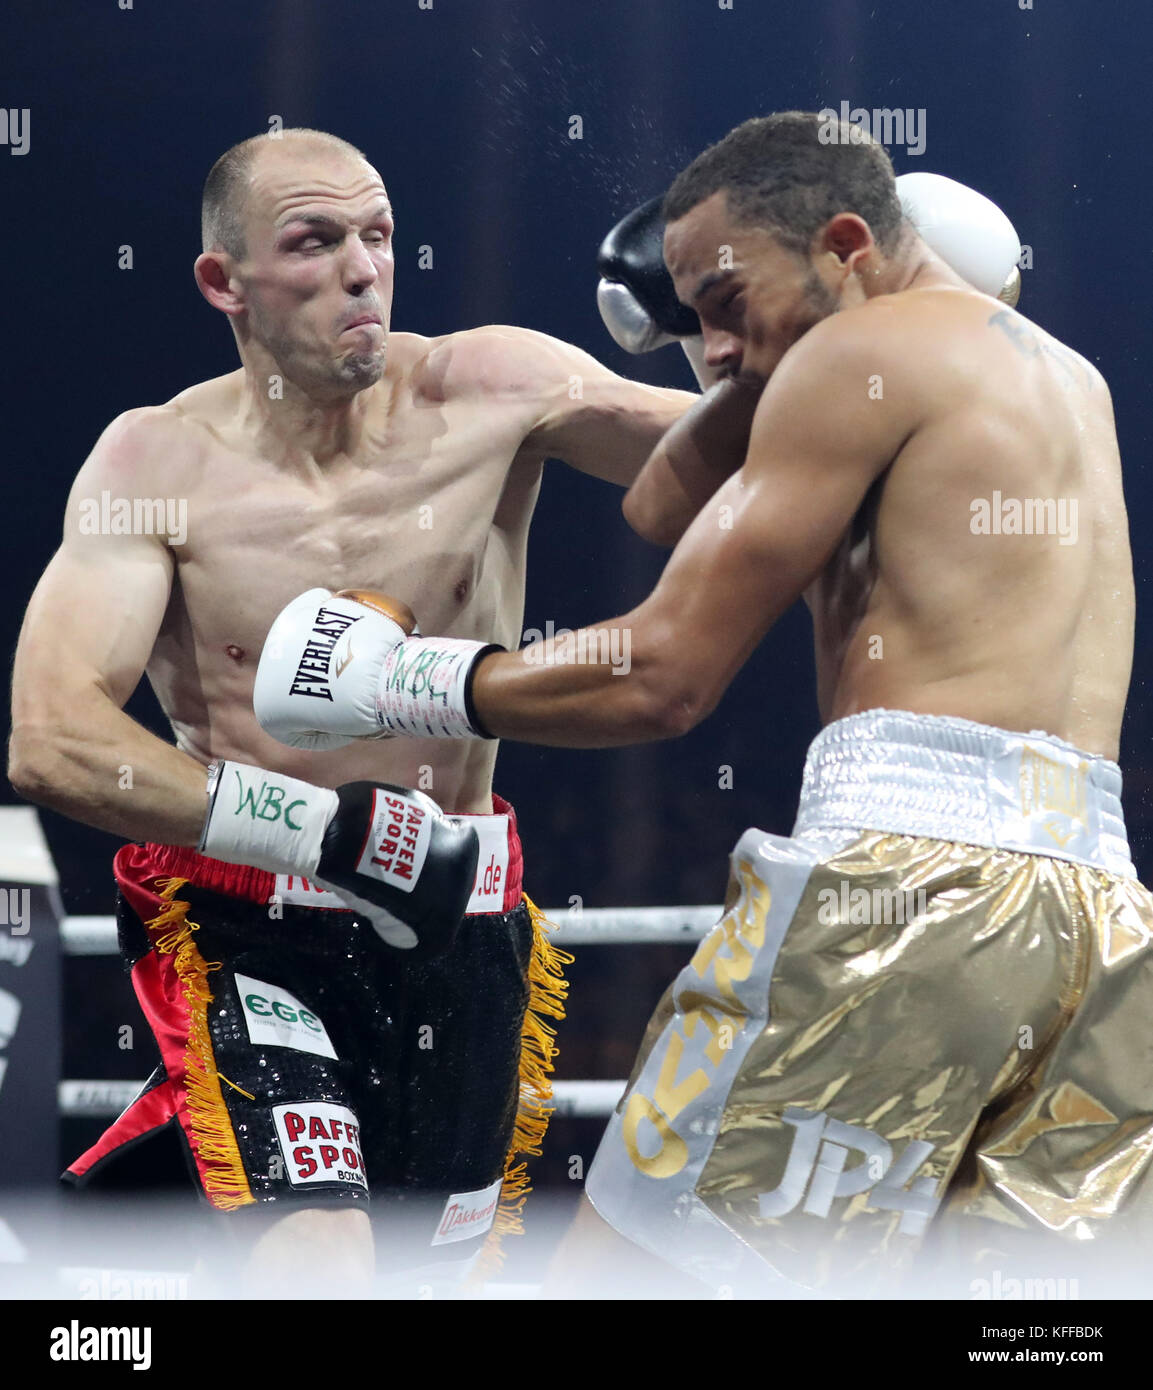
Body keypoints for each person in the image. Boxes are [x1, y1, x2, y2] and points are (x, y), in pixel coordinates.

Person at [253, 111, 1153, 1297]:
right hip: (1101, 915)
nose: (710, 345)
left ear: (846, 245)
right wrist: (738, 337)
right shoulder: (1056, 375)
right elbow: (665, 504)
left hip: (907, 891)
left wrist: (403, 679)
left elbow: (664, 672)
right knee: (1024, 1320)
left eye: (725, 305)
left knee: (630, 1280)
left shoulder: (854, 356)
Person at [7, 126, 702, 1294]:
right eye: (313, 242)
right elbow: (51, 736)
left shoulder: (497, 388)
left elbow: (755, 470)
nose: (362, 267)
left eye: (376, 235)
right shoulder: (153, 463)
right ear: (223, 282)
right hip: (249, 918)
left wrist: (768, 332)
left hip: (465, 915)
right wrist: (325, 834)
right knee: (319, 1259)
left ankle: (96, 1256)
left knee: (419, 1281)